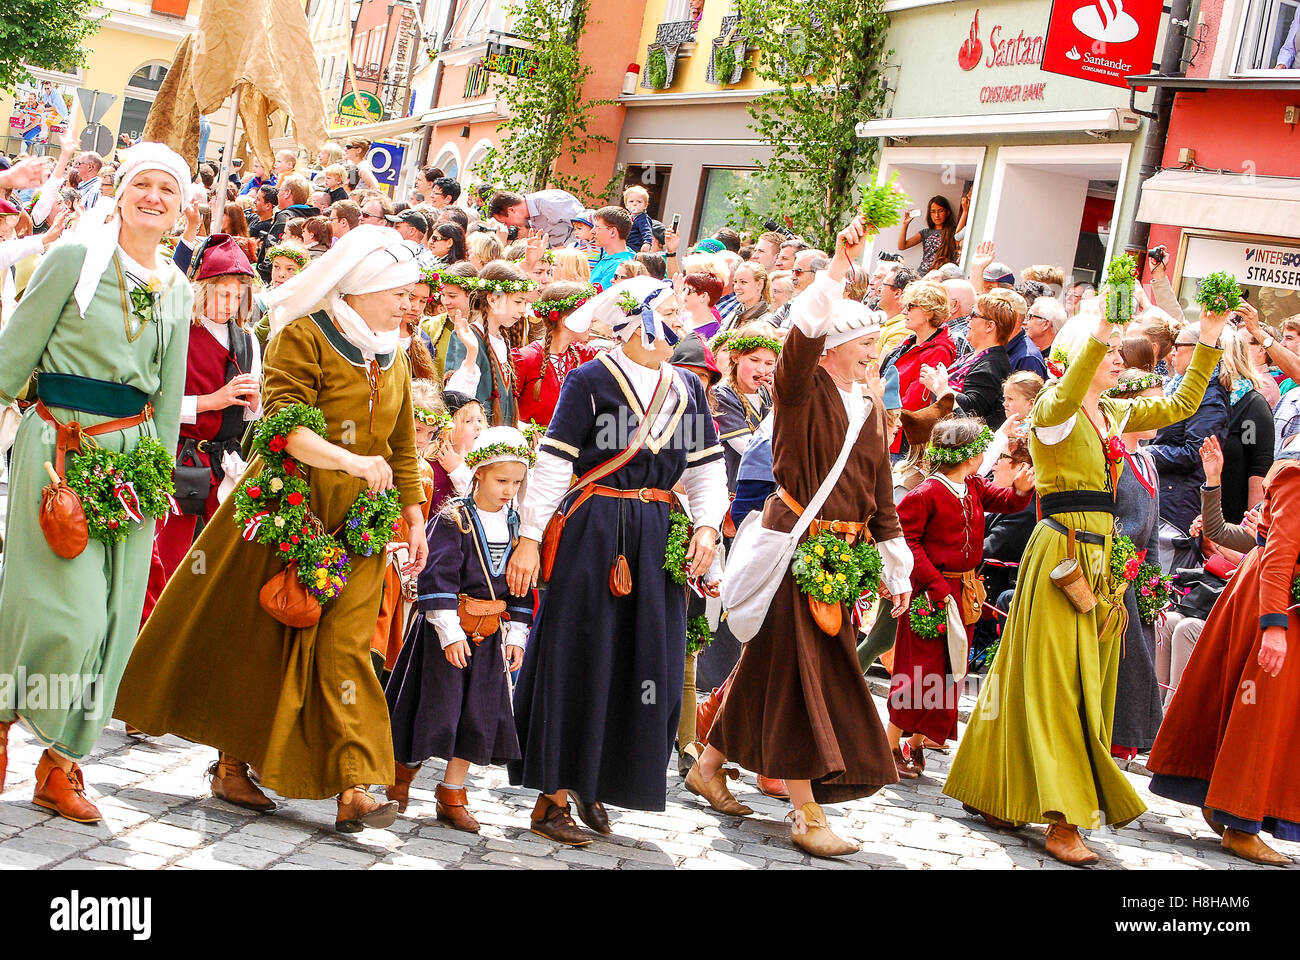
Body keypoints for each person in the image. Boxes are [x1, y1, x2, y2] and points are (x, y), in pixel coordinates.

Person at [113, 226, 429, 833]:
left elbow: (403, 445)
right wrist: (353, 461)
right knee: (264, 639)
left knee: (346, 646)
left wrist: (413, 515)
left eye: (414, 292)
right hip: (285, 506)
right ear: (363, 288)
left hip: (361, 523)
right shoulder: (305, 336)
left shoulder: (392, 348)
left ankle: (356, 786)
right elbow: (282, 429)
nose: (410, 302)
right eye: (400, 291)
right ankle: (233, 763)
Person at [942, 304, 1226, 865]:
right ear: (1078, 355)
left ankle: (1001, 789)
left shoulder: (1109, 414)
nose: (1118, 359)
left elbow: (1180, 404)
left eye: (1119, 350)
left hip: (1102, 557)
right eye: (1108, 351)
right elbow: (1067, 391)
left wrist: (1211, 340)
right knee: (1055, 684)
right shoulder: (1055, 407)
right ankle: (1062, 817)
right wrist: (1099, 331)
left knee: (1071, 680)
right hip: (1062, 553)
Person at [690, 217, 913, 858]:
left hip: (841, 559)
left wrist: (896, 568)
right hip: (793, 547)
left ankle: (709, 762)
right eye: (864, 341)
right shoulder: (800, 389)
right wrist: (839, 268)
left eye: (876, 340)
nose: (875, 349)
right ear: (833, 347)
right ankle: (806, 810)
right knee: (804, 675)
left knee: (775, 668)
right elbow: (802, 331)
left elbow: (880, 496)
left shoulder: (869, 404)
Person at [0, 143, 194, 822]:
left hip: (133, 461)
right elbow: (10, 357)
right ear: (118, 191)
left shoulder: (177, 284)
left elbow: (167, 394)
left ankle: (60, 767)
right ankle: (2, 715)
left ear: (181, 207)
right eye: (142, 183)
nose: (153, 197)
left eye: (167, 190)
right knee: (64, 609)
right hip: (58, 446)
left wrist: (159, 472)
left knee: (113, 621)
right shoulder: (72, 259)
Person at [504, 276, 728, 845]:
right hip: (594, 531)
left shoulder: (687, 390)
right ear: (639, 321)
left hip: (656, 534)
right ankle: (552, 797)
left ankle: (600, 779)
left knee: (644, 659)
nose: (681, 321)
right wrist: (529, 538)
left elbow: (704, 471)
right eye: (671, 311)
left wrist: (705, 526)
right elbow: (555, 463)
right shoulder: (589, 380)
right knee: (580, 653)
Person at [1148, 432, 1300, 865]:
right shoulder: (1297, 474)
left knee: (1262, 712)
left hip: (1277, 602)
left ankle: (1222, 804)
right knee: (1261, 713)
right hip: (1273, 603)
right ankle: (1239, 821)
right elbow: (1279, 555)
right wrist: (1274, 626)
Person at [384, 427, 535, 829]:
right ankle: (403, 772)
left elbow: (522, 587)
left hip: (489, 639)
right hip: (444, 637)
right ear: (478, 473)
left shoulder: (520, 528)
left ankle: (452, 793)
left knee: (477, 716)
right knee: (434, 709)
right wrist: (449, 632)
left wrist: (517, 634)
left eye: (516, 482)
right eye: (501, 480)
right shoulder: (454, 520)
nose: (508, 489)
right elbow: (438, 579)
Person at [888, 418, 1034, 777]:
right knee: (918, 673)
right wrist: (937, 586)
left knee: (949, 671)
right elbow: (909, 542)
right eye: (981, 448)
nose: (986, 454)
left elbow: (1005, 502)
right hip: (931, 594)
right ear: (970, 454)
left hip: (964, 594)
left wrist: (1019, 490)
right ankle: (890, 744)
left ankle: (917, 742)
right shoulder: (925, 494)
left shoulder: (972, 486)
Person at [141, 236, 262, 624]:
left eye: (237, 296)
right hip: (182, 457)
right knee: (169, 556)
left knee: (219, 559)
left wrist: (253, 405)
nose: (229, 304)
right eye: (222, 294)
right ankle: (154, 635)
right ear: (203, 291)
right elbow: (154, 403)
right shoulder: (180, 332)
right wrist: (212, 400)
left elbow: (246, 416)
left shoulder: (248, 340)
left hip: (224, 463)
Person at [1104, 368, 1167, 760]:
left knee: (1137, 665)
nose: (1161, 413)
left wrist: (1153, 582)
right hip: (1113, 576)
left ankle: (1126, 741)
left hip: (1136, 578)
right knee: (1118, 663)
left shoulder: (1147, 460)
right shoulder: (1112, 456)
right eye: (1153, 403)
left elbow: (1154, 530)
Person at [1148, 322, 1229, 538]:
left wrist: (1148, 454)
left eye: (1178, 345)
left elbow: (1196, 453)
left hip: (1179, 503)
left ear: (1198, 350)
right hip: (1164, 493)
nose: (1172, 351)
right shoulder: (1176, 385)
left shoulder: (1210, 397)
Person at [443, 260, 536, 426]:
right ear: (493, 300)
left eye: (525, 303)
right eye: (518, 301)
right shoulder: (466, 336)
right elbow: (455, 399)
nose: (523, 310)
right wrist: (472, 353)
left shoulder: (502, 339)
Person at [514, 279, 599, 427]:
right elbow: (508, 413)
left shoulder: (585, 355)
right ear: (566, 321)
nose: (594, 319)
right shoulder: (525, 359)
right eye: (588, 314)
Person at [1216, 327, 1275, 523]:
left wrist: (1247, 530)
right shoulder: (1200, 400)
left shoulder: (1252, 406)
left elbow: (1259, 468)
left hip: (1230, 518)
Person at [941, 290, 1015, 430]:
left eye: (974, 315)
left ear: (990, 326)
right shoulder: (974, 356)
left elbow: (972, 409)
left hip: (964, 444)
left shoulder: (992, 365)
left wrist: (941, 387)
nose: (968, 319)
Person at [897, 195, 963, 274]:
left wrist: (965, 211)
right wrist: (905, 224)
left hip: (941, 275)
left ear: (947, 212)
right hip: (922, 274)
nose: (936, 215)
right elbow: (902, 246)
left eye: (940, 211)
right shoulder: (926, 232)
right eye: (933, 211)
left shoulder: (953, 232)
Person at [588, 206, 635, 288]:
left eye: (597, 227)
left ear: (613, 232)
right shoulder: (609, 255)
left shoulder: (620, 265)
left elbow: (597, 298)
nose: (592, 231)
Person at [624, 184, 653, 254]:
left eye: (639, 202)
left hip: (635, 248)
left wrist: (647, 243)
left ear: (645, 205)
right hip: (625, 246)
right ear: (626, 205)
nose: (635, 204)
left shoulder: (643, 219)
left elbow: (647, 231)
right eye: (631, 201)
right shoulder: (627, 218)